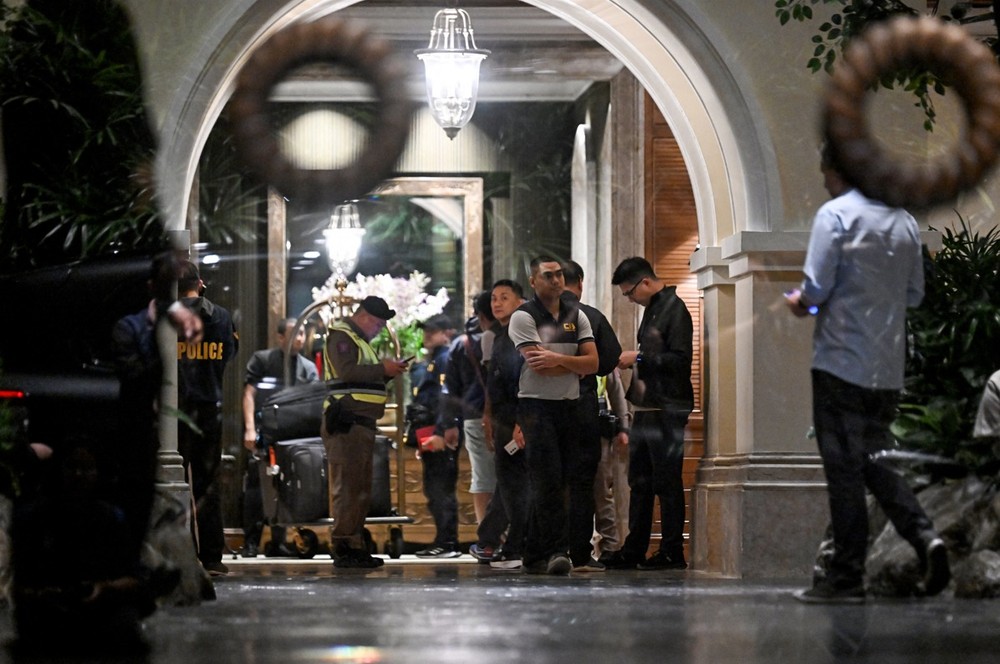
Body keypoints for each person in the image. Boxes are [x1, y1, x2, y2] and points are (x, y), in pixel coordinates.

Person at [784, 146, 950, 603]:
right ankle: (925, 538)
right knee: (875, 462)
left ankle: (846, 579)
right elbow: (915, 294)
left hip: (839, 363)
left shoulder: (835, 216)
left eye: (826, 173)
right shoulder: (904, 221)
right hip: (886, 368)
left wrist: (800, 302)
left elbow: (816, 289)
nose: (824, 182)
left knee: (844, 474)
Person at [508, 256, 599, 575]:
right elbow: (538, 365)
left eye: (559, 274)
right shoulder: (523, 316)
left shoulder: (578, 316)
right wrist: (574, 364)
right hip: (536, 406)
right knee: (547, 480)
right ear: (534, 282)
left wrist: (560, 361)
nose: (557, 280)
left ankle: (534, 554)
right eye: (548, 276)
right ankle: (557, 551)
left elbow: (594, 363)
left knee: (563, 481)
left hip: (569, 405)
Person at [608, 256, 693, 571]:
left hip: (667, 408)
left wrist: (638, 359)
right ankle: (634, 549)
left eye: (630, 293)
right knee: (639, 482)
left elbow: (681, 359)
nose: (630, 300)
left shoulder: (676, 309)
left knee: (667, 482)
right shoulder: (653, 309)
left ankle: (672, 551)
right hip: (646, 408)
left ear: (645, 282)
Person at [322, 296, 409, 568]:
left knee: (359, 488)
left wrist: (386, 373)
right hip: (348, 421)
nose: (381, 329)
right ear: (364, 317)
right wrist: (383, 368)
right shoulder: (342, 336)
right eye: (379, 323)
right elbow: (346, 371)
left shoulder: (360, 342)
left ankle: (354, 543)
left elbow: (361, 376)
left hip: (361, 423)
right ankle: (345, 544)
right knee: (348, 487)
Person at [176, 261, 239, 577]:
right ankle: (213, 556)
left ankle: (182, 551)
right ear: (200, 284)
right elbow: (230, 353)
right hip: (209, 411)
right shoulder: (222, 318)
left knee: (174, 483)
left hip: (175, 414)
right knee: (207, 486)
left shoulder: (166, 319)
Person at [560, 260, 623, 572]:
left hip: (546, 411)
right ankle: (581, 554)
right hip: (583, 411)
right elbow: (610, 359)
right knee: (583, 484)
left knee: (550, 482)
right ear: (580, 282)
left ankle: (550, 551)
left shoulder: (536, 317)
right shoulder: (592, 316)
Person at [240, 317, 319, 557]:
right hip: (267, 430)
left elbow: (311, 401)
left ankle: (279, 541)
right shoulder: (263, 360)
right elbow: (249, 394)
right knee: (257, 485)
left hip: (294, 434)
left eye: (303, 333)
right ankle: (251, 541)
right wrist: (250, 428)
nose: (300, 338)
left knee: (289, 485)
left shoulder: (308, 367)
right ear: (281, 337)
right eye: (295, 333)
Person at [441, 292, 507, 562]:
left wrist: (449, 424)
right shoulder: (510, 338)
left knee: (482, 477)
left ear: (479, 315)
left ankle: (487, 537)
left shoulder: (461, 344)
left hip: (473, 417)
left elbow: (450, 389)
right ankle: (507, 534)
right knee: (508, 477)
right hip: (507, 418)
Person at [483, 279, 529, 570]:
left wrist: (521, 422)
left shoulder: (521, 333)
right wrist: (488, 417)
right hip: (502, 420)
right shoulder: (500, 335)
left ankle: (517, 547)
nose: (497, 303)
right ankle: (505, 542)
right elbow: (495, 382)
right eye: (494, 298)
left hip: (518, 420)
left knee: (517, 486)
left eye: (504, 297)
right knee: (508, 484)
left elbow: (526, 379)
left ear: (520, 302)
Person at [407, 314, 461, 558]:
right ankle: (442, 539)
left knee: (441, 489)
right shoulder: (432, 360)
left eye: (433, 331)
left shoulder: (446, 359)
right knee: (434, 488)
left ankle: (447, 542)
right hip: (428, 430)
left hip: (439, 432)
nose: (427, 335)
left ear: (447, 332)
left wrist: (441, 431)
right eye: (426, 330)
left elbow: (446, 400)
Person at [591, 368, 631, 564]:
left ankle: (610, 546)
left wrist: (624, 427)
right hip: (572, 426)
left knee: (602, 489)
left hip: (599, 431)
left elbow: (617, 395)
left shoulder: (605, 361)